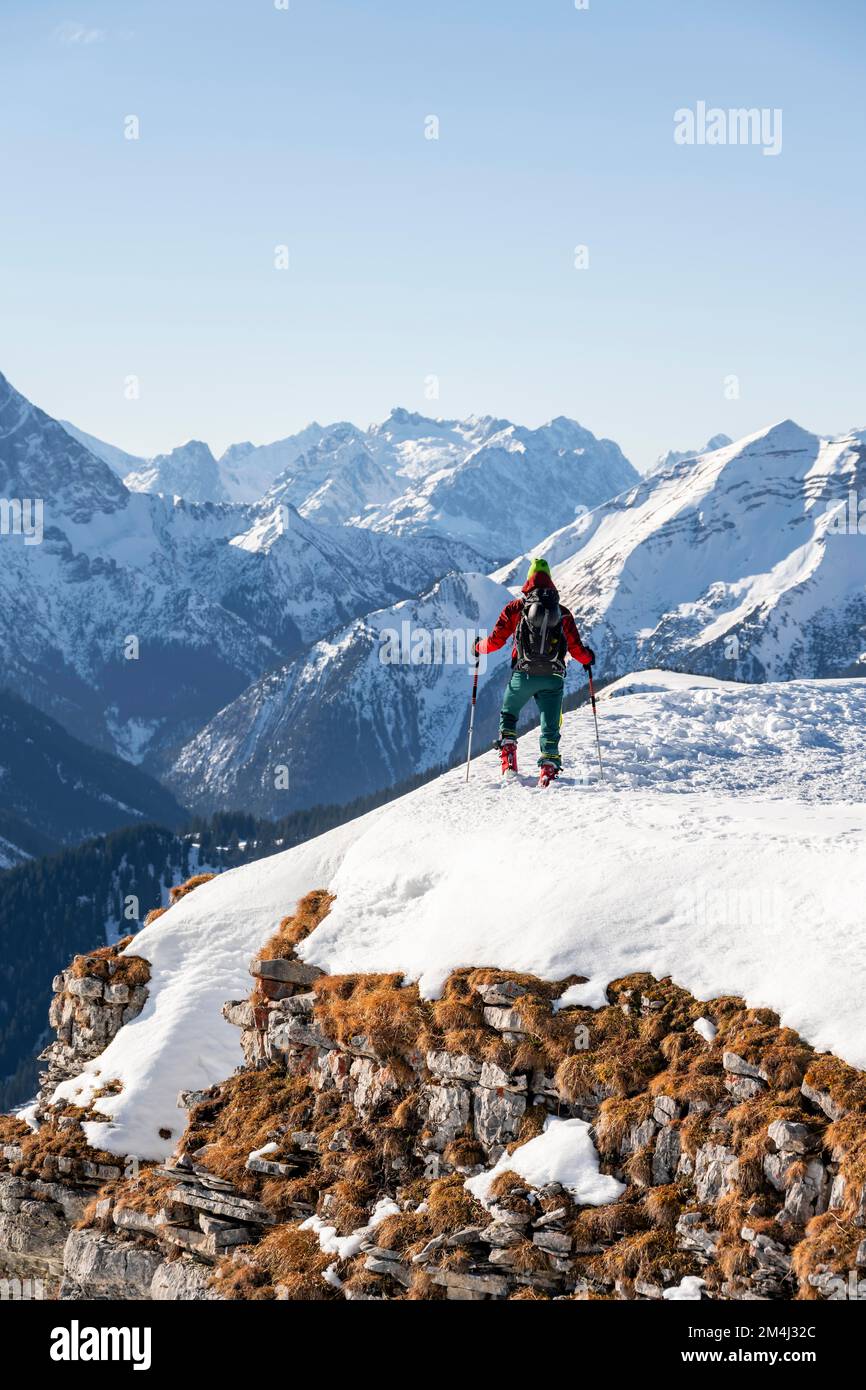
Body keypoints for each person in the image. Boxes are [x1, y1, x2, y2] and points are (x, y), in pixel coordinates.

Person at [475, 557, 595, 785]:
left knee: (509, 714)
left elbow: (495, 642)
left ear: (528, 580)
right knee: (550, 725)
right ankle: (548, 769)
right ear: (550, 580)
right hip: (553, 678)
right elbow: (577, 650)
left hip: (523, 675)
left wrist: (477, 646)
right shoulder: (563, 613)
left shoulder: (516, 609)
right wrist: (589, 658)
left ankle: (508, 760)